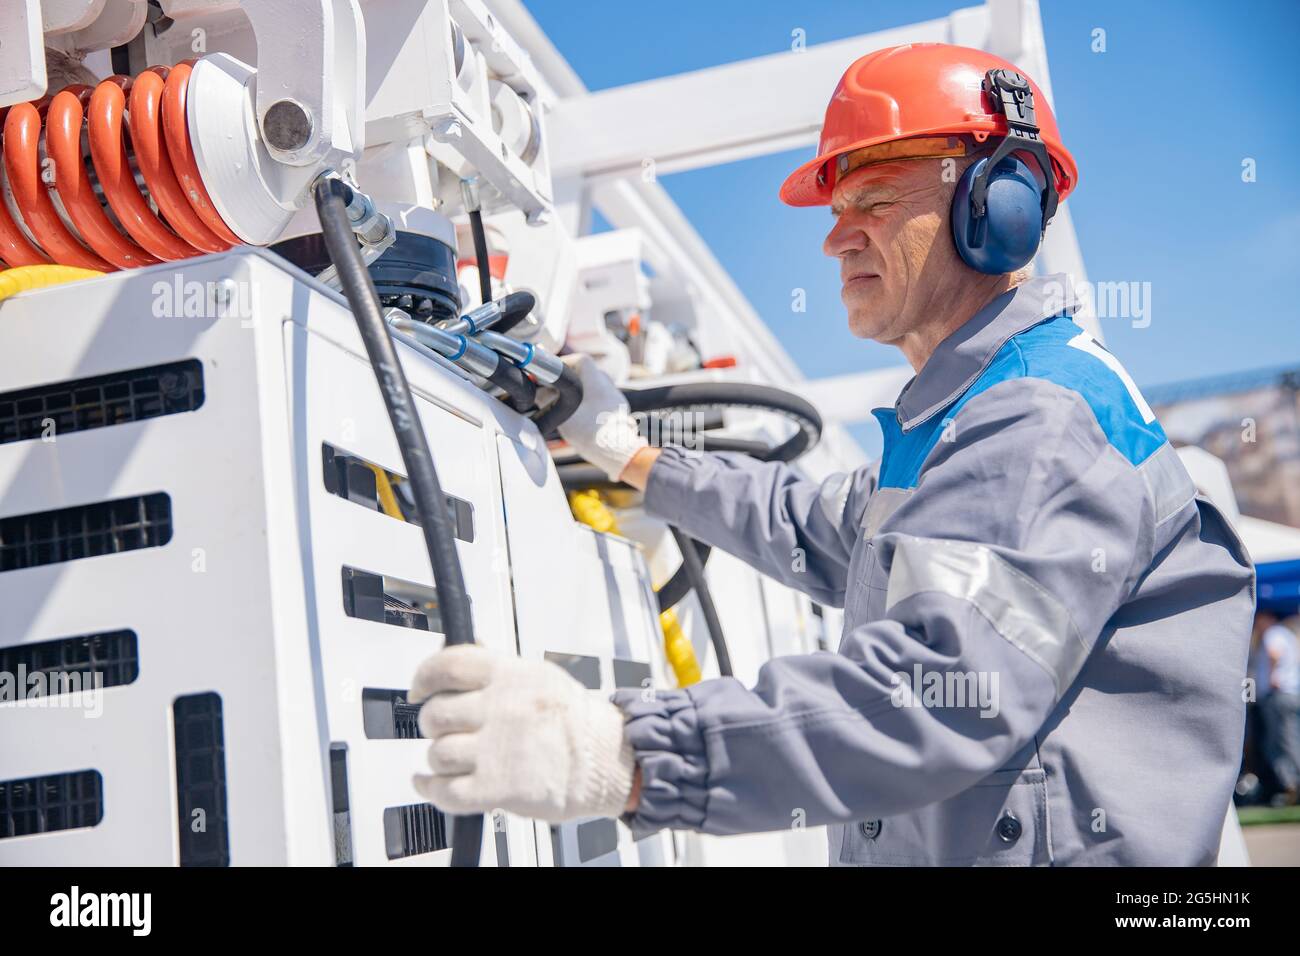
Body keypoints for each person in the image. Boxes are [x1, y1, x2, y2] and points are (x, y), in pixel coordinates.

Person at [407, 43, 1255, 865]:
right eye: (837, 210)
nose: (835, 240)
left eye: (876, 203)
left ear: (1000, 208)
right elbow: (804, 524)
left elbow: (941, 692)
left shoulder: (1040, 419)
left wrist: (619, 752)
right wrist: (625, 448)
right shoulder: (961, 426)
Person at [1253, 610, 1300, 805]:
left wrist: (1272, 677)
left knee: (1282, 744)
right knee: (1289, 741)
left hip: (1278, 695)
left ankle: (1293, 786)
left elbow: (1274, 653)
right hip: (1290, 693)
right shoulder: (1288, 634)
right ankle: (1291, 788)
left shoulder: (1273, 633)